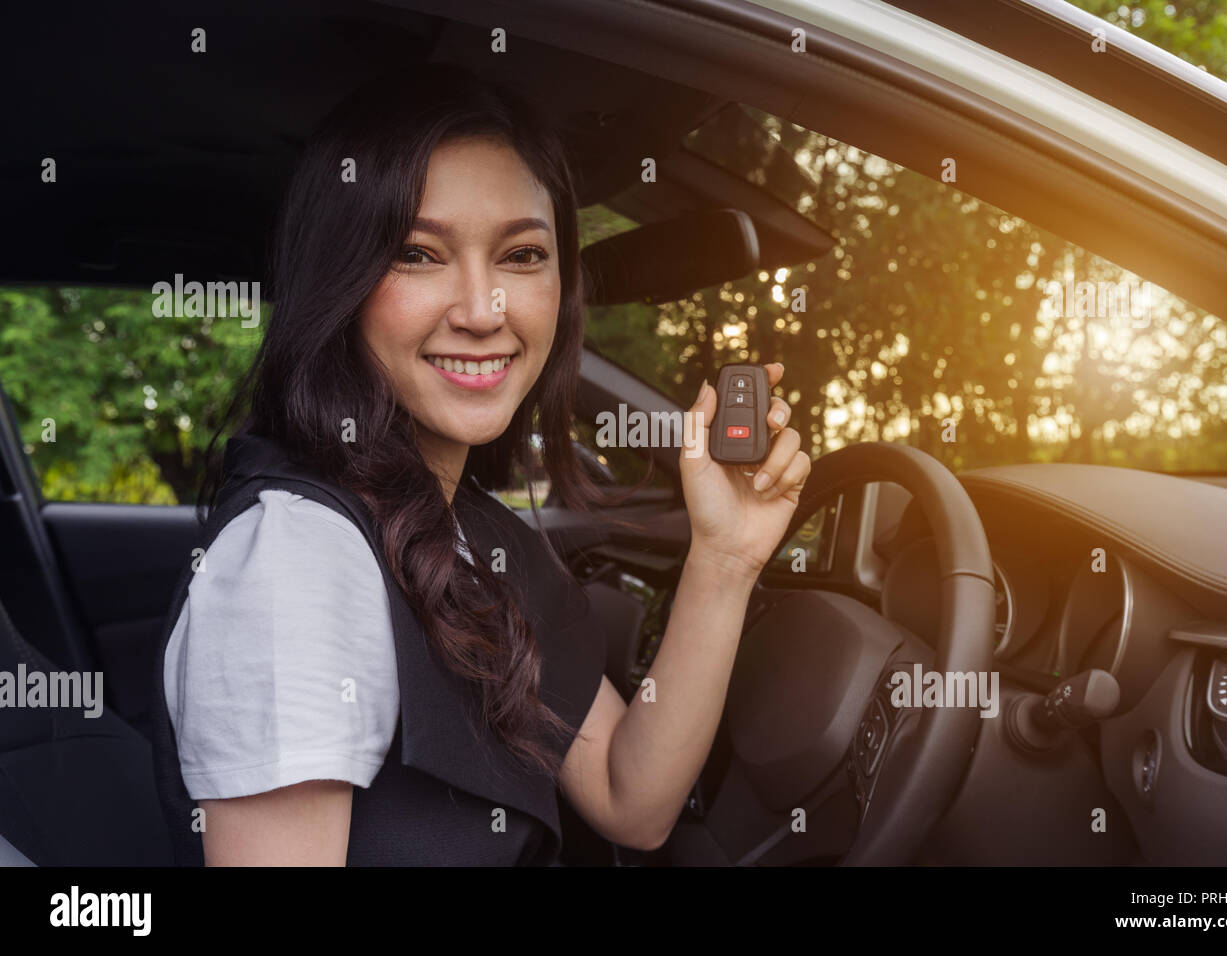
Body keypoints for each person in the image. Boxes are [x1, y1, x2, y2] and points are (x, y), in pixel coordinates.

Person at [151, 62, 810, 866]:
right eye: (418, 253)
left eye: (522, 255)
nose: (480, 309)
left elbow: (629, 797)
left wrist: (726, 557)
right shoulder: (297, 561)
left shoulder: (477, 536)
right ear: (340, 280)